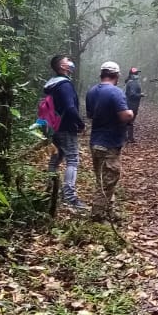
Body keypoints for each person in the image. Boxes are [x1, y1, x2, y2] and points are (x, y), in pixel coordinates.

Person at [85, 61, 133, 224]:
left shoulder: (91, 91)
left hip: (95, 141)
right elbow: (124, 116)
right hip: (110, 143)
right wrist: (130, 113)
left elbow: (90, 114)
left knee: (102, 179)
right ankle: (97, 216)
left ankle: (109, 212)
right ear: (116, 75)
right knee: (109, 180)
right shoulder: (116, 92)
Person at [44, 54, 86, 209]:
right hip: (66, 128)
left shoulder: (52, 84)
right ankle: (69, 197)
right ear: (62, 66)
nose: (71, 62)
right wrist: (80, 124)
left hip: (53, 127)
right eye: (68, 61)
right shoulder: (65, 85)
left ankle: (50, 189)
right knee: (72, 160)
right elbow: (69, 108)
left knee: (56, 159)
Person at [124, 67, 142, 143]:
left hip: (130, 104)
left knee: (128, 121)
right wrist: (140, 94)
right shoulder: (132, 83)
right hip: (131, 104)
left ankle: (127, 138)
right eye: (135, 73)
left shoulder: (129, 82)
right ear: (131, 74)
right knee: (129, 121)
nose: (136, 75)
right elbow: (132, 94)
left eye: (137, 73)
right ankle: (129, 138)